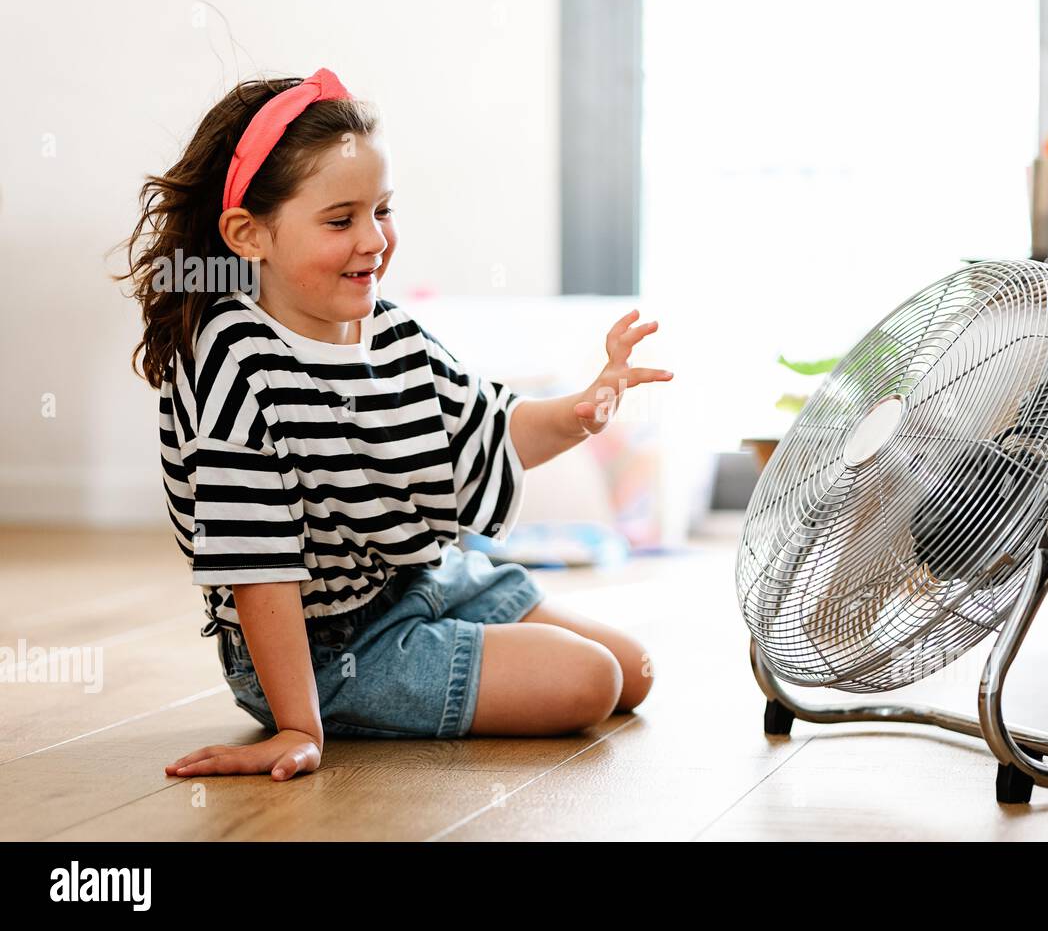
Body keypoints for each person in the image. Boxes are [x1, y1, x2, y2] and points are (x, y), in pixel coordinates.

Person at [117, 68, 672, 782]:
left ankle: (451, 645)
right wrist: (295, 724)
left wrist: (584, 408)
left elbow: (481, 433)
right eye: (341, 219)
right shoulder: (235, 362)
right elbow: (257, 568)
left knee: (634, 673)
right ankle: (346, 697)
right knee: (590, 682)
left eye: (383, 209)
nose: (375, 239)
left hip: (418, 584)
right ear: (247, 234)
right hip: (318, 650)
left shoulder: (388, 329)